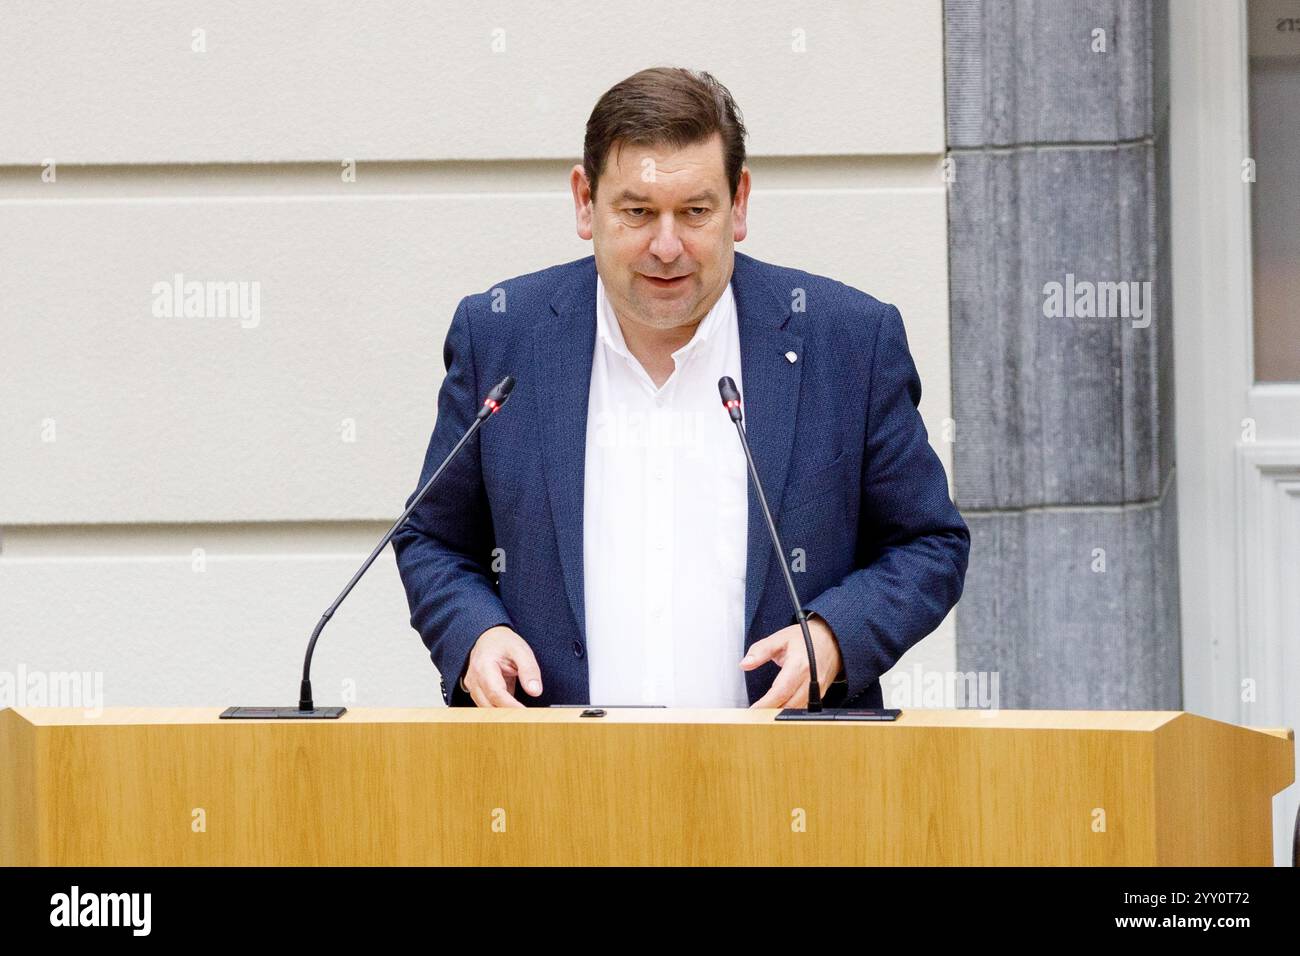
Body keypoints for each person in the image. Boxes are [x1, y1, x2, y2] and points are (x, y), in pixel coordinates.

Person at [393, 67, 969, 709]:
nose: (667, 247)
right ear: (585, 202)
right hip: (554, 781)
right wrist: (478, 634)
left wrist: (834, 636)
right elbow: (432, 538)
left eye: (695, 212)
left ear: (739, 202)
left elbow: (928, 544)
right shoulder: (500, 335)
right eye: (637, 212)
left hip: (788, 783)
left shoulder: (850, 341)